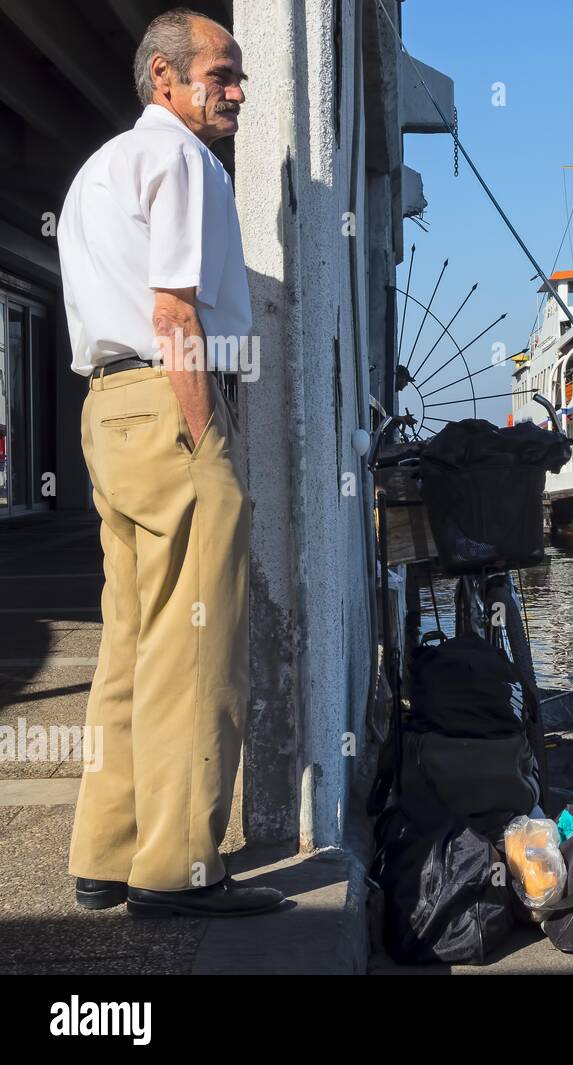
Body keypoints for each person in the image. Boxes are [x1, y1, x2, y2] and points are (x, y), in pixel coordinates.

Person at [58, 9, 282, 917]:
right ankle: (179, 867)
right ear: (166, 78)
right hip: (171, 401)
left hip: (106, 411)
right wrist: (203, 439)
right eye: (221, 74)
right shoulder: (184, 161)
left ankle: (104, 853)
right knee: (198, 645)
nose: (237, 90)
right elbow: (175, 312)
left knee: (131, 644)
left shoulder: (93, 172)